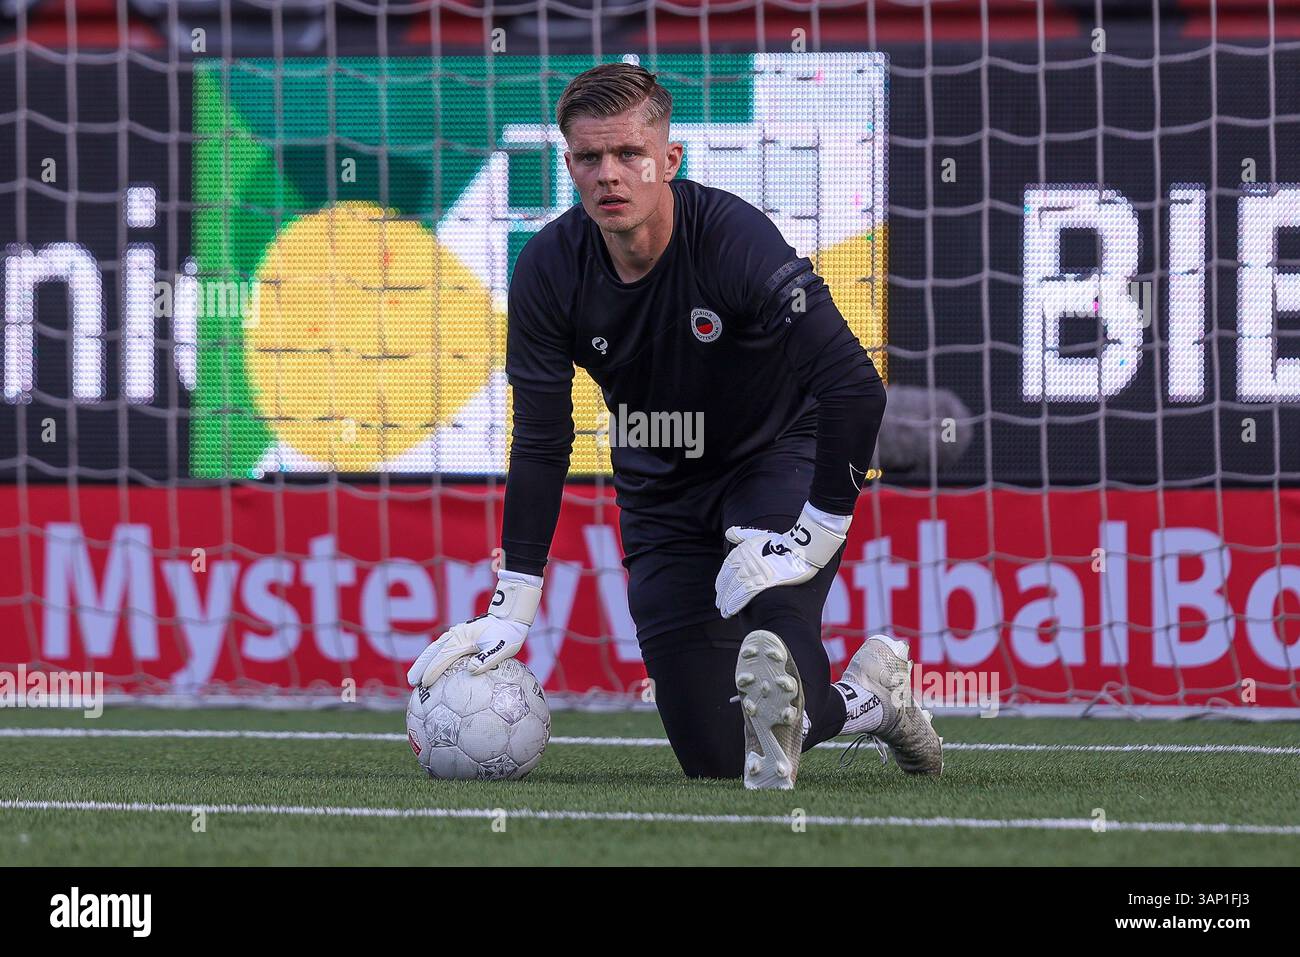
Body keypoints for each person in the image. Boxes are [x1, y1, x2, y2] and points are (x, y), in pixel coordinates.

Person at [407, 62, 942, 789]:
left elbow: (853, 386)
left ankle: (807, 647)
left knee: (773, 629)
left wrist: (812, 536)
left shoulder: (731, 240)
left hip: (776, 453)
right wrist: (515, 600)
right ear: (569, 164)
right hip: (659, 486)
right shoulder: (547, 270)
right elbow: (541, 438)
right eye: (591, 158)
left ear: (669, 159)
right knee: (721, 760)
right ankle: (870, 696)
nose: (610, 174)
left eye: (629, 154)